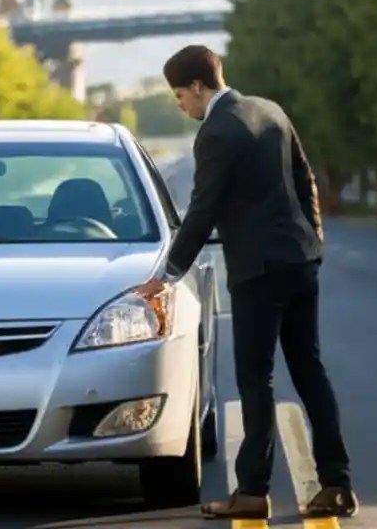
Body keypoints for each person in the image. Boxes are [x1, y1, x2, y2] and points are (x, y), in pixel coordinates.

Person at [133, 45, 358, 520]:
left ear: (197, 86)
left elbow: (203, 210)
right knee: (310, 371)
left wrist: (167, 275)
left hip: (258, 270)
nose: (181, 107)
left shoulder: (216, 132)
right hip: (300, 261)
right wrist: (313, 239)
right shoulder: (270, 110)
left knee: (256, 379)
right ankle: (337, 483)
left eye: (179, 97)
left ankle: (253, 490)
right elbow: (305, 179)